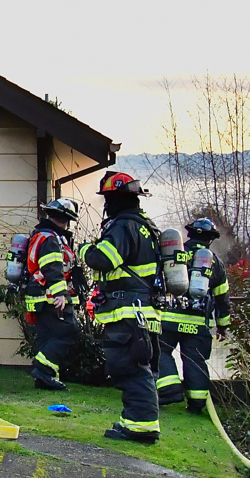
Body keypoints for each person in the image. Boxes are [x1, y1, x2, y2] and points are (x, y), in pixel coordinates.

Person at [79, 172, 162, 444]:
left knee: (129, 368)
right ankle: (135, 421)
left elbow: (103, 259)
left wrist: (83, 250)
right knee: (138, 367)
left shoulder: (123, 226)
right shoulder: (145, 227)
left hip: (128, 312)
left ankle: (141, 426)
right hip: (142, 311)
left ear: (115, 199)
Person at [157, 218, 232, 413]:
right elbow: (222, 298)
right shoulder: (214, 262)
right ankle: (197, 402)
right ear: (210, 239)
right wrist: (222, 326)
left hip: (169, 319)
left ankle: (169, 390)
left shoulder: (174, 253)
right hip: (198, 323)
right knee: (195, 360)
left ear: (189, 234)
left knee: (161, 351)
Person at [25, 198, 81, 390]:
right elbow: (52, 266)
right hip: (50, 295)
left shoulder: (43, 234)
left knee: (47, 336)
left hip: (40, 295)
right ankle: (43, 370)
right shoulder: (50, 238)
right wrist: (61, 294)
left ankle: (44, 379)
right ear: (66, 220)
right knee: (67, 331)